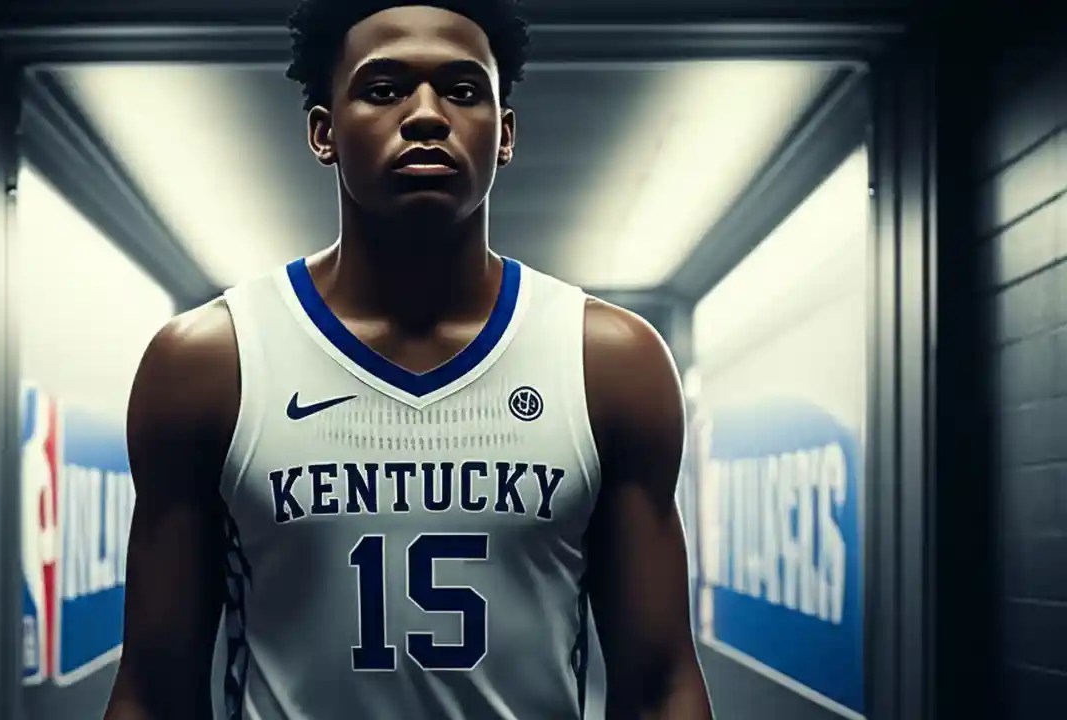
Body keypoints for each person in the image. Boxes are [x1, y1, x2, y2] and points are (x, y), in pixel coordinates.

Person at [103, 1, 714, 718]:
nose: (427, 114)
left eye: (462, 90)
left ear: (505, 135)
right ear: (323, 132)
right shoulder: (212, 363)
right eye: (384, 88)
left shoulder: (609, 363)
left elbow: (662, 683)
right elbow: (152, 692)